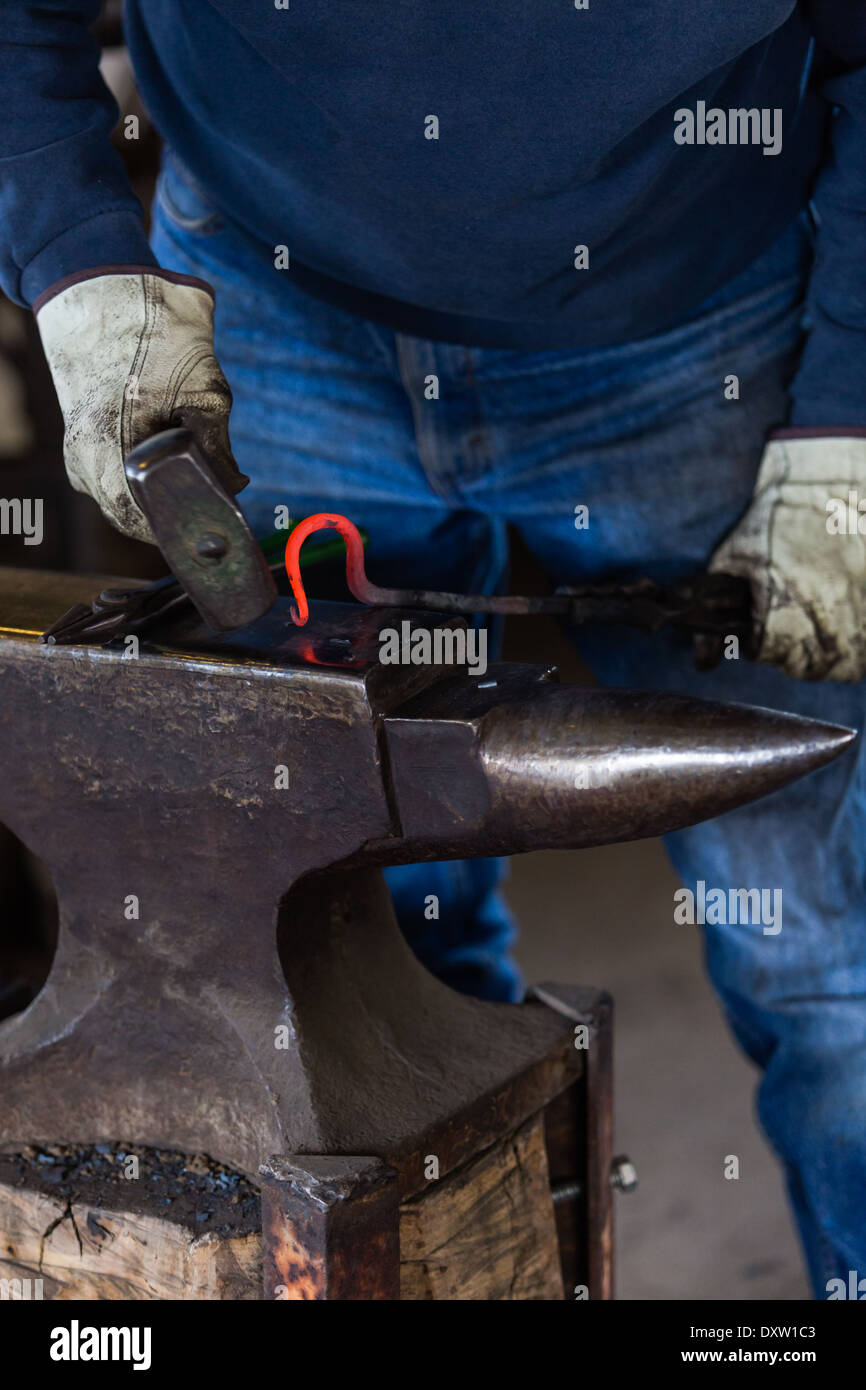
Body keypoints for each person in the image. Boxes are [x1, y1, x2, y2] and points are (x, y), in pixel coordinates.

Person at [1, 1, 864, 1297]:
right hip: (260, 311)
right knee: (358, 956)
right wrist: (76, 259)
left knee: (818, 957)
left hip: (689, 328)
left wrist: (848, 413)